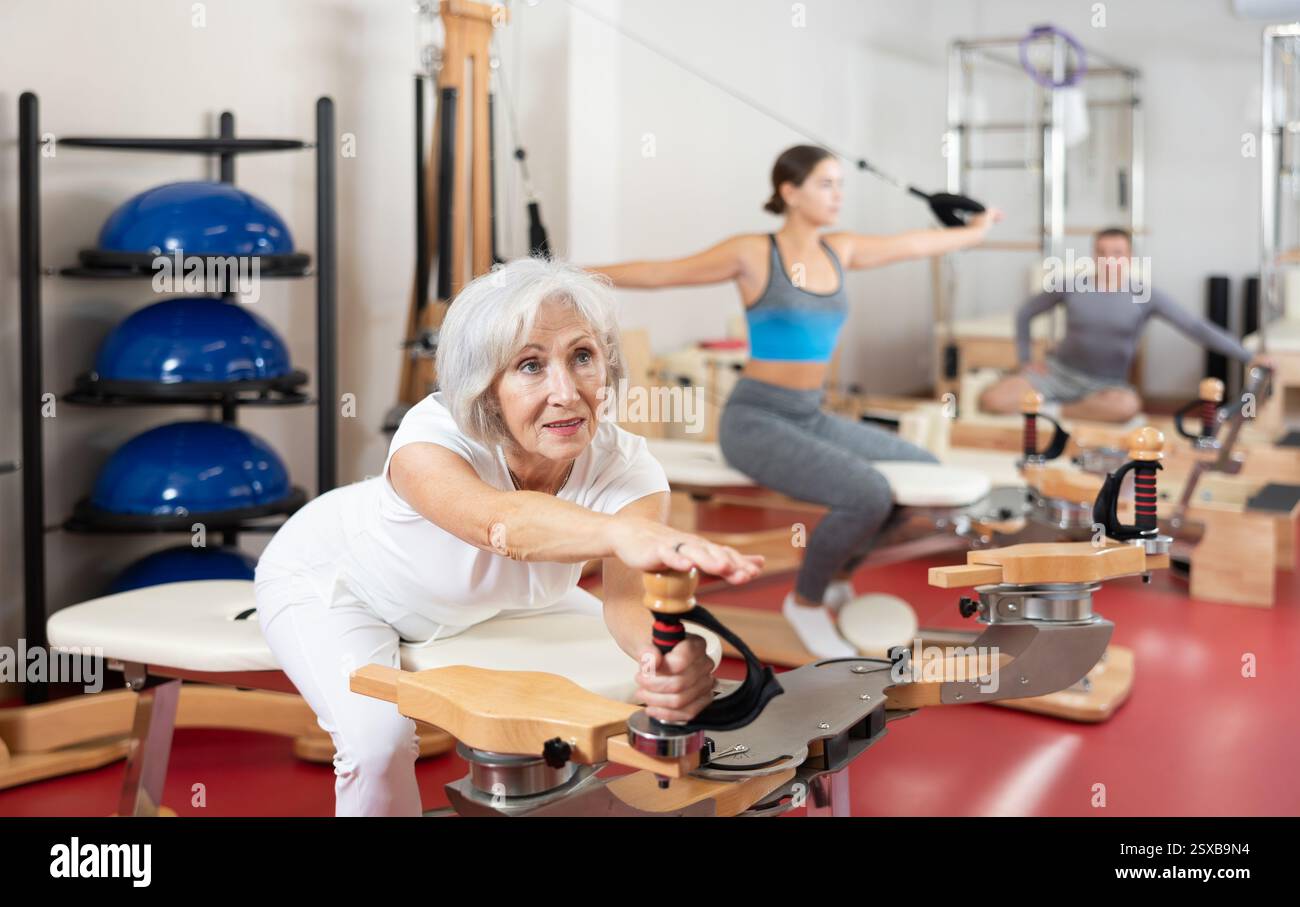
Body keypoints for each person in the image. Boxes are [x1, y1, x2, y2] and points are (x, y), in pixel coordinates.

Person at [254, 257, 762, 816]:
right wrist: (621, 533)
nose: (566, 392)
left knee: (625, 680)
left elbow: (626, 604)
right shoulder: (433, 434)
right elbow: (502, 526)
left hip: (493, 602)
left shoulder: (626, 465)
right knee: (378, 745)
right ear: (485, 385)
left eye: (582, 357)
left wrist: (662, 661)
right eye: (530, 366)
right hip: (338, 581)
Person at [587, 144, 1002, 658]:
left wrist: (975, 231)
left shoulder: (840, 250)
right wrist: (568, 273)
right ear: (790, 192)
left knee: (923, 468)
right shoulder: (754, 252)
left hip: (810, 415)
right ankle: (805, 602)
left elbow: (915, 245)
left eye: (840, 185)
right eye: (826, 184)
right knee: (867, 492)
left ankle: (834, 576)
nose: (837, 195)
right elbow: (662, 272)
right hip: (755, 419)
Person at [979, 228, 1259, 422]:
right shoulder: (1071, 285)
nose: (1108, 259)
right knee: (991, 399)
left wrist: (1251, 357)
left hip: (1106, 385)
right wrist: (1026, 360)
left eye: (1116, 252)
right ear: (1093, 255)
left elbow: (1196, 327)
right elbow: (1025, 313)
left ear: (1129, 258)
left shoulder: (1144, 294)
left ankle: (1052, 411)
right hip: (1057, 374)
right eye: (1101, 252)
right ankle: (1060, 407)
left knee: (1127, 407)